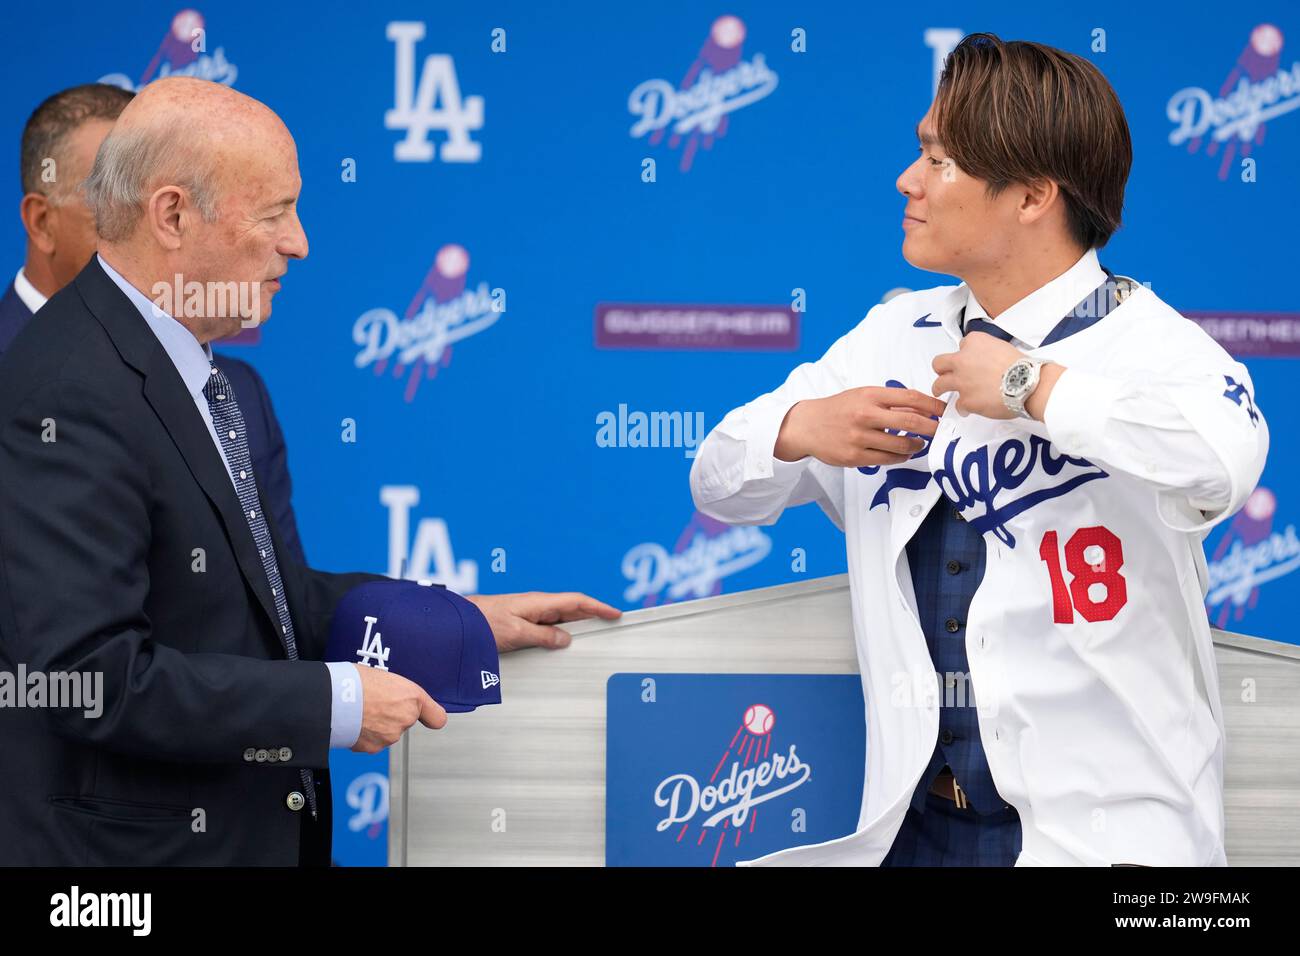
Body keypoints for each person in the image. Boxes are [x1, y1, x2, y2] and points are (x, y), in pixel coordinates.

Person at [0, 76, 619, 866]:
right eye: (274, 213)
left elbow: (262, 608)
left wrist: (452, 621)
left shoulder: (203, 372)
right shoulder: (67, 387)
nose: (300, 242)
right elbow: (90, 678)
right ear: (172, 214)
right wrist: (335, 701)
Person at [690, 33, 1268, 867]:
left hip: (1117, 845)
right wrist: (799, 429)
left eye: (940, 159)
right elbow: (715, 480)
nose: (908, 179)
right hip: (916, 832)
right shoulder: (894, 333)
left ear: (1032, 196)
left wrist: (1035, 383)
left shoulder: (1151, 344)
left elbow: (1223, 459)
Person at [2, 82, 307, 561]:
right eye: (105, 207)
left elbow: (279, 613)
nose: (127, 228)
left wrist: (440, 618)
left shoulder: (234, 393)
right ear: (41, 223)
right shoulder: (33, 385)